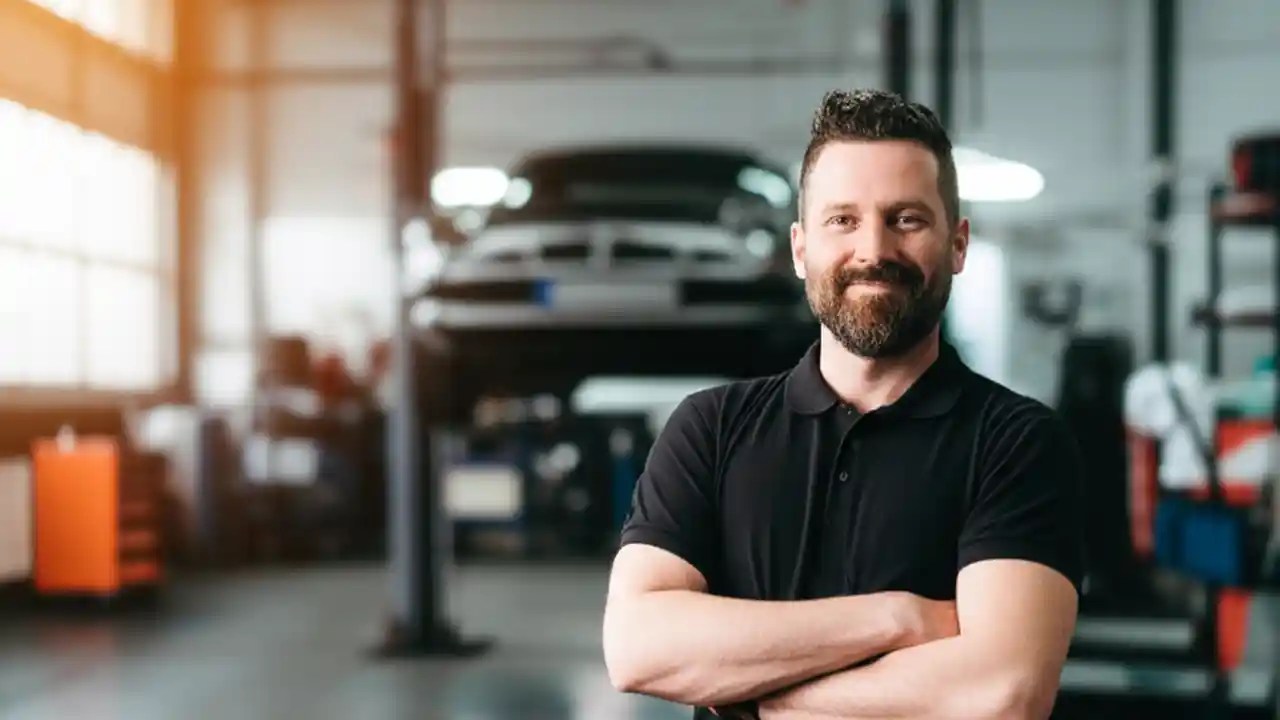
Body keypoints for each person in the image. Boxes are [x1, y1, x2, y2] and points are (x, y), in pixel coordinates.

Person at [602, 89, 1084, 720]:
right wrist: (897, 618)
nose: (873, 250)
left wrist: (749, 692)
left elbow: (1002, 693)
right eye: (842, 220)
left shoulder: (1017, 443)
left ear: (958, 244)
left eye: (906, 218)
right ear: (801, 249)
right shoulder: (711, 429)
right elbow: (639, 648)